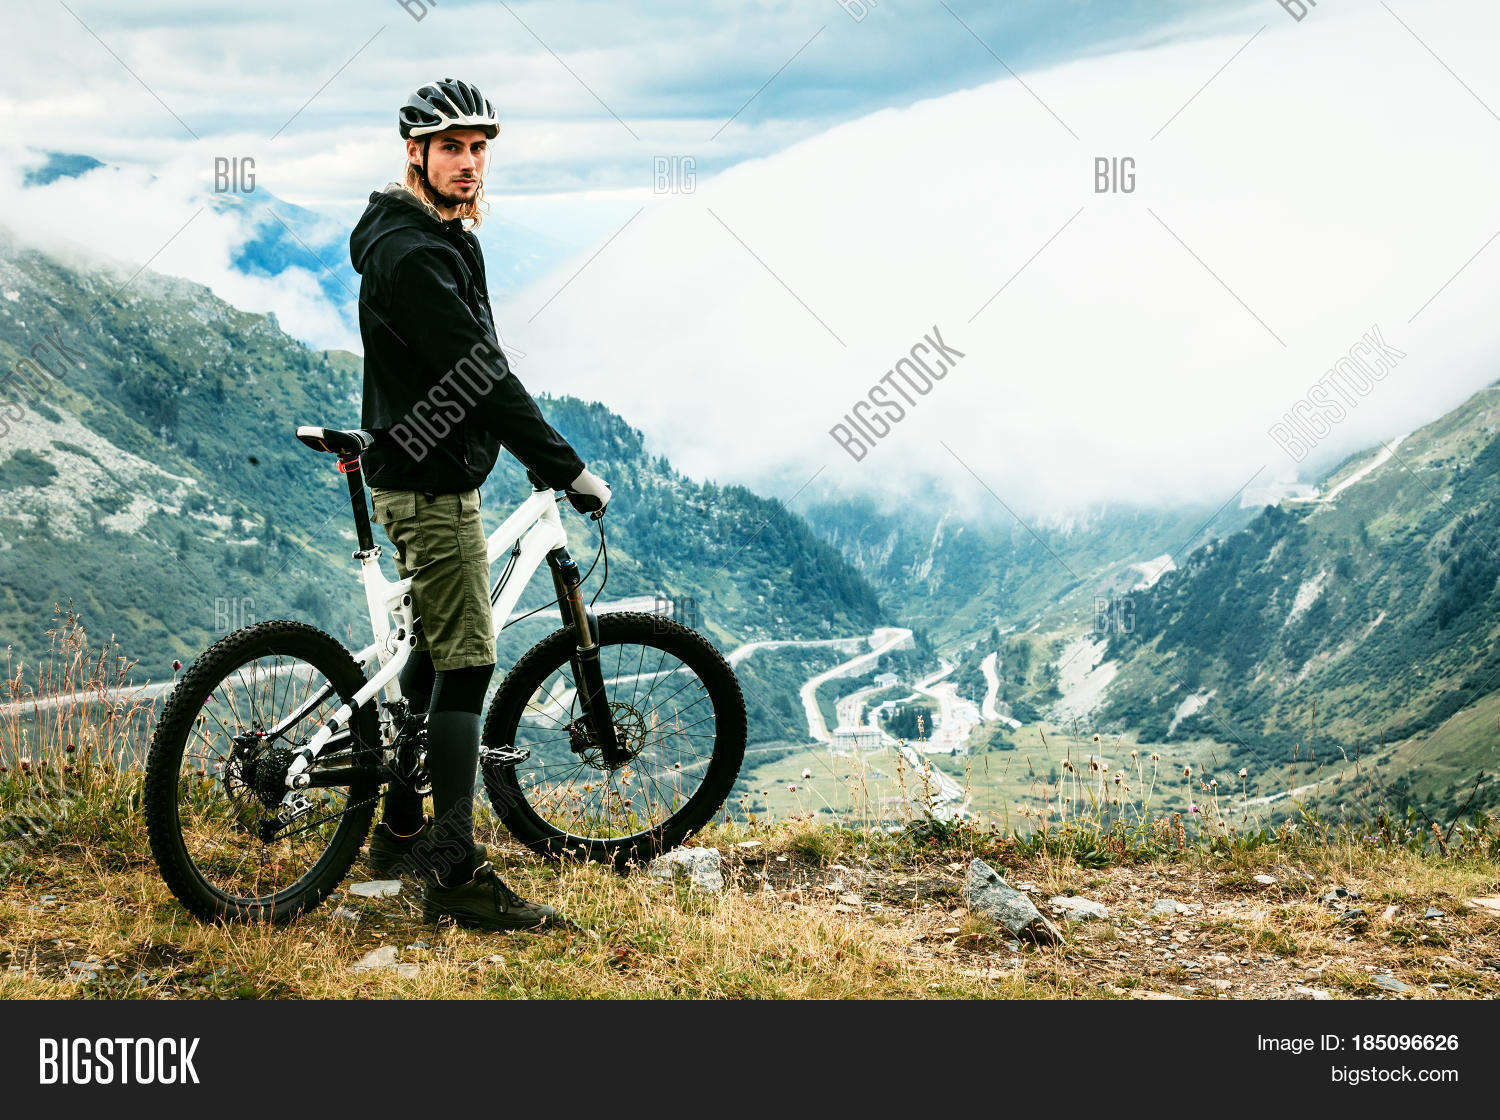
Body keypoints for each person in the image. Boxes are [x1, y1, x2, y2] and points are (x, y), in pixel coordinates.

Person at [348, 77, 612, 930]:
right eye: (452, 148)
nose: (469, 163)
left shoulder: (433, 234)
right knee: (465, 665)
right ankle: (454, 877)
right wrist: (563, 465)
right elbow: (480, 371)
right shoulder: (417, 254)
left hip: (420, 467)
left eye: (479, 148)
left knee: (430, 651)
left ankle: (395, 834)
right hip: (429, 488)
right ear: (416, 155)